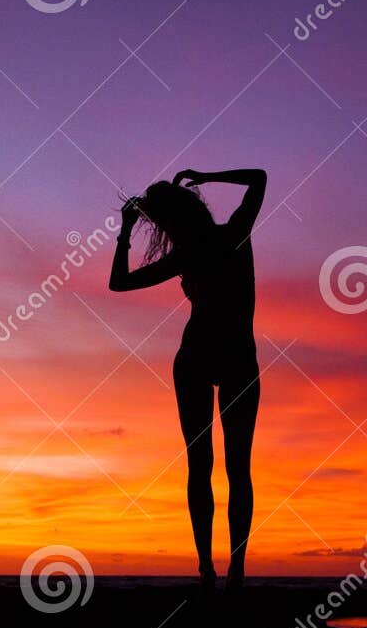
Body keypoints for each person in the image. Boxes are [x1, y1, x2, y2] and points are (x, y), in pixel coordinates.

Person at [109, 167, 266, 594]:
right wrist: (204, 175)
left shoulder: (192, 252)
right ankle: (230, 570)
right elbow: (259, 179)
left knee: (207, 466)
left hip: (207, 358)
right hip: (227, 359)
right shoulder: (233, 233)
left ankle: (210, 570)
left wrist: (125, 230)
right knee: (233, 468)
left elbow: (118, 281)